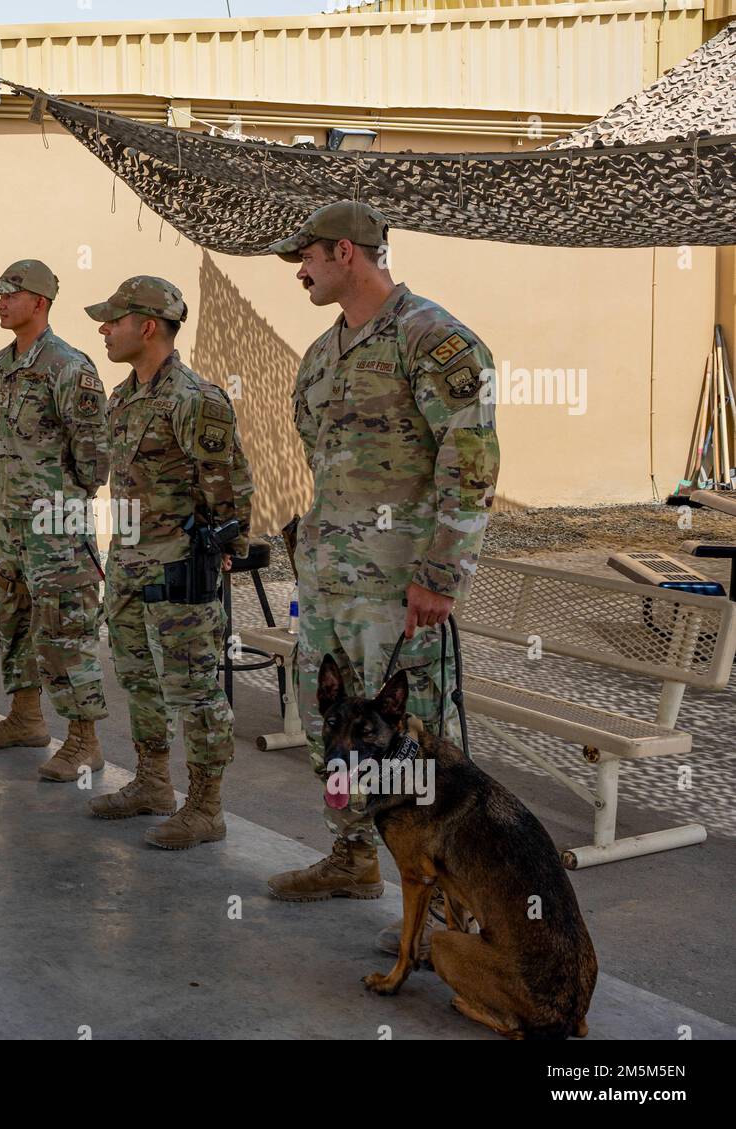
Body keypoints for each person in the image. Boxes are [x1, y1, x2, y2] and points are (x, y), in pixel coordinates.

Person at [263, 201, 500, 950]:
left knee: (415, 747)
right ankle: (351, 855)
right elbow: (321, 460)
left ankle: (443, 910)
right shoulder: (320, 355)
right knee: (332, 731)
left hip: (402, 595)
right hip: (331, 589)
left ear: (345, 252)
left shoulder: (433, 339)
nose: (298, 271)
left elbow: (471, 462)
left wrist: (440, 572)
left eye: (305, 257)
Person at [84, 277, 254, 849]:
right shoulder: (123, 397)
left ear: (147, 326)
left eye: (113, 320)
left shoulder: (195, 400)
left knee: (195, 690)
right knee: (139, 679)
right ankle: (153, 784)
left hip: (179, 570)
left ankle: (206, 807)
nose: (104, 330)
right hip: (128, 564)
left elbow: (228, 488)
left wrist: (225, 551)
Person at [0, 260, 111, 781]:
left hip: (57, 529)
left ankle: (83, 741)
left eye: (9, 294)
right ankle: (26, 718)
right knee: (16, 622)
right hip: (9, 522)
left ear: (40, 303)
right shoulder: (0, 366)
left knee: (65, 631)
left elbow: (95, 458)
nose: (1, 303)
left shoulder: (70, 367)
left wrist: (58, 500)